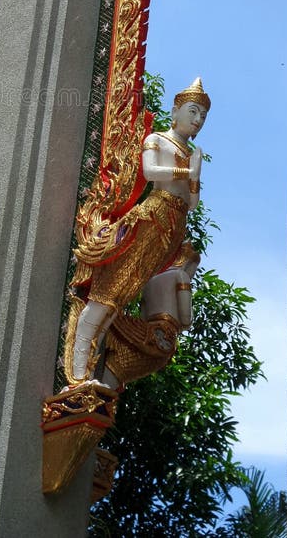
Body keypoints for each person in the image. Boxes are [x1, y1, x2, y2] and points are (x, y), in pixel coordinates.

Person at [65, 77, 210, 386]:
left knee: (123, 296)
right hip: (153, 215)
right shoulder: (157, 139)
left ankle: (88, 371)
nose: (197, 121)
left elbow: (193, 202)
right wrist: (187, 171)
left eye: (202, 117)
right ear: (176, 110)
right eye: (193, 112)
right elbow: (150, 172)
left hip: (172, 226)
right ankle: (77, 371)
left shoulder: (191, 152)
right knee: (110, 292)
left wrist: (194, 177)